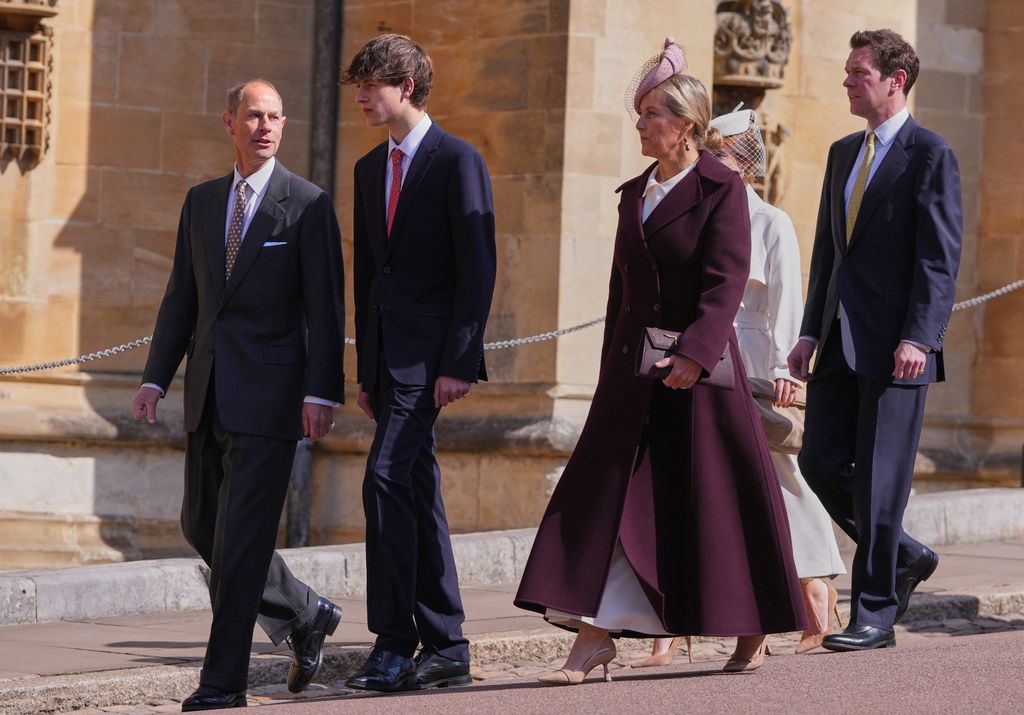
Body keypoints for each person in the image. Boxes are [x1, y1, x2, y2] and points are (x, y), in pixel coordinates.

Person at [513, 37, 805, 683]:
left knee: (719, 508)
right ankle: (592, 641)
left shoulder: (721, 189)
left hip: (697, 381)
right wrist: (609, 371)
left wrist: (696, 355)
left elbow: (725, 283)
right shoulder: (632, 194)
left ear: (687, 125)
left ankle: (752, 626)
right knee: (611, 501)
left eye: (652, 114)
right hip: (632, 379)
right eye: (640, 113)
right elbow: (621, 292)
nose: (640, 125)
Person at [130, 80, 346, 710]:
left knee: (242, 544)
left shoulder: (307, 204)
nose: (265, 127)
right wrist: (155, 377)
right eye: (253, 116)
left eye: (275, 117)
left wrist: (322, 393)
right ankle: (304, 611)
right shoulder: (200, 202)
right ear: (230, 122)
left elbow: (327, 310)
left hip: (272, 400)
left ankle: (223, 683)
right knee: (201, 525)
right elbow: (183, 297)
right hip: (207, 395)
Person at [635, 108, 846, 668]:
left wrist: (784, 369)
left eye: (722, 157)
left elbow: (787, 298)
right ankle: (672, 627)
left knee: (781, 475)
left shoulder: (770, 220)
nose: (711, 166)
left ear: (744, 163)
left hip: (753, 356)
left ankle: (815, 588)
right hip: (703, 350)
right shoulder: (694, 207)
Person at [787, 29, 963, 652]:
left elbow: (939, 260)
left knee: (880, 483)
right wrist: (809, 329)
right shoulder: (842, 153)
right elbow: (828, 252)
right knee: (817, 463)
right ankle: (906, 555)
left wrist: (920, 337)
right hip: (838, 339)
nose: (846, 81)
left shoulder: (930, 153)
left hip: (898, 349)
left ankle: (875, 613)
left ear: (896, 80)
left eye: (858, 72)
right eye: (847, 70)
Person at [341, 34, 497, 693]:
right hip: (388, 364)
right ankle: (449, 644)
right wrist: (366, 371)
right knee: (414, 487)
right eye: (357, 86)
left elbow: (478, 267)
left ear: (406, 87)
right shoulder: (367, 170)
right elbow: (368, 276)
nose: (360, 97)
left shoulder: (458, 160)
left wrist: (459, 359)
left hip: (432, 362)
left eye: (370, 85)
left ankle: (393, 643)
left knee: (383, 480)